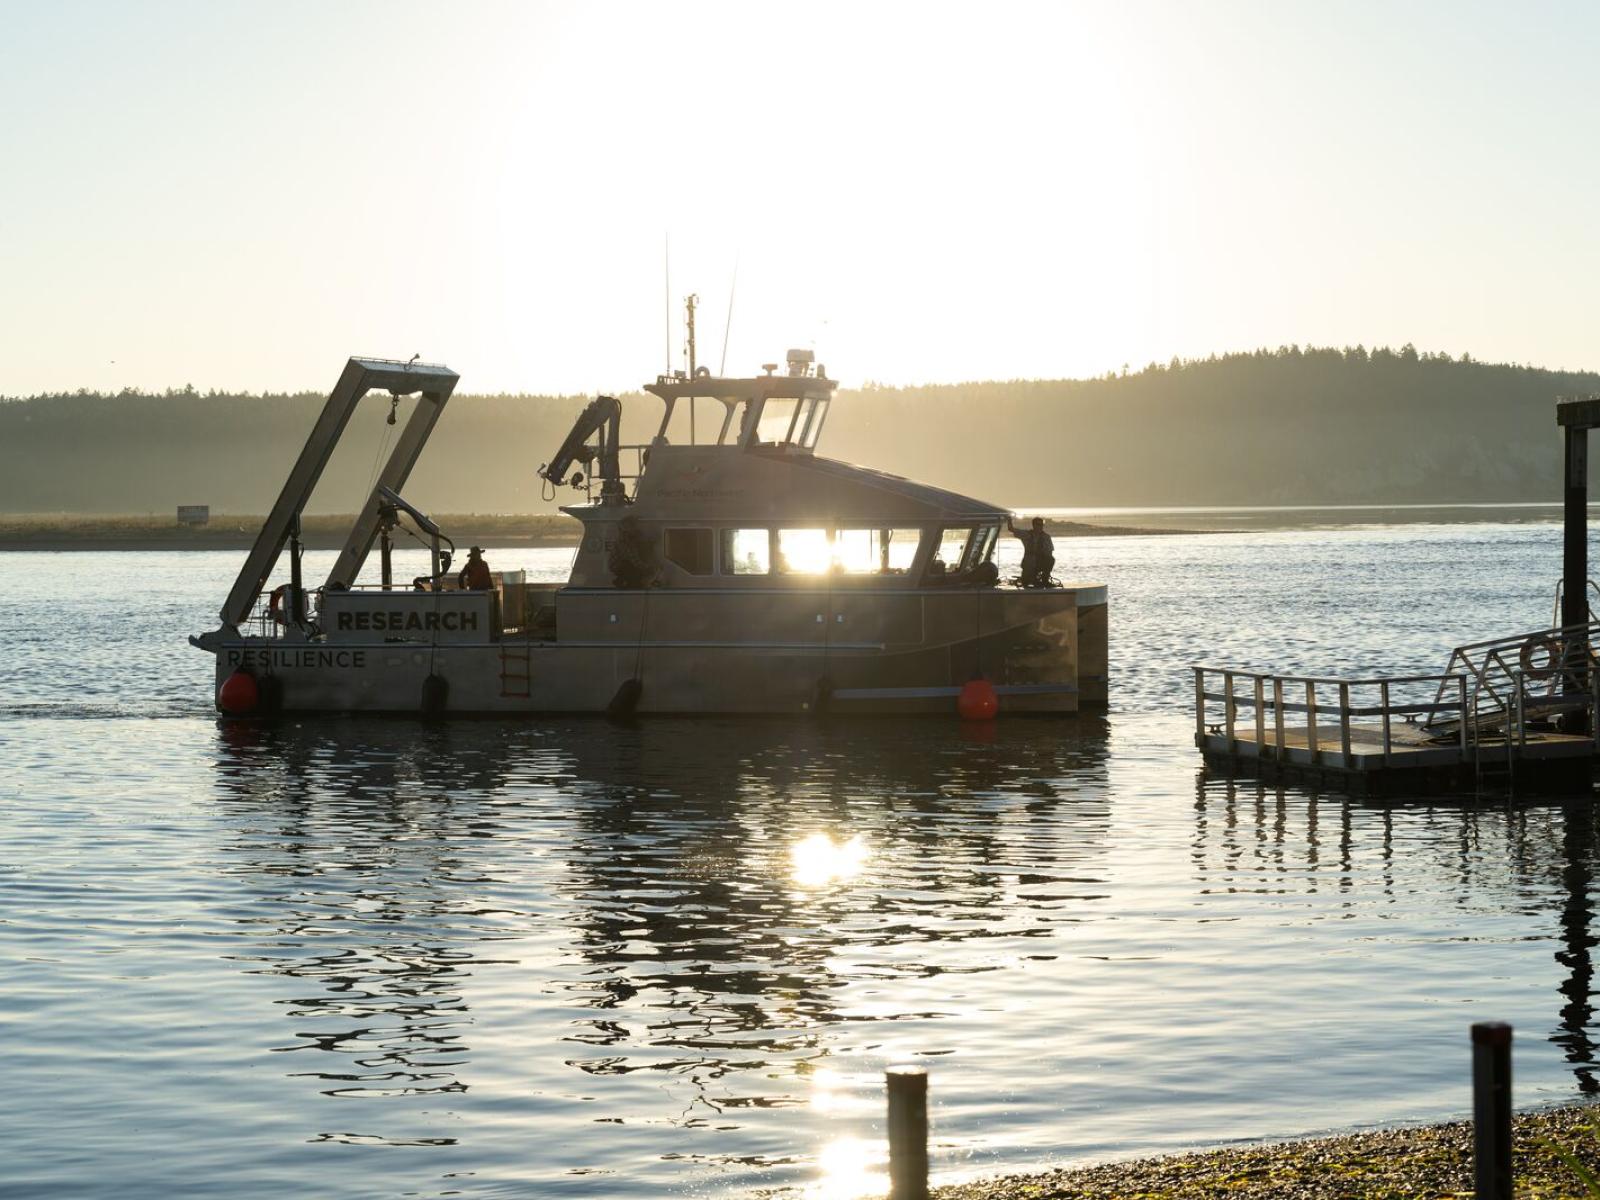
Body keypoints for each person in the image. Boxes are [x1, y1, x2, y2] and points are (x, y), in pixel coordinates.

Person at [1008, 516, 1055, 588]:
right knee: (1026, 583)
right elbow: (1011, 529)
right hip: (1028, 562)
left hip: (1040, 562)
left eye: (1041, 525)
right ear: (1034, 525)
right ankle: (1030, 579)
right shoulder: (1026, 534)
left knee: (1051, 559)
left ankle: (1045, 580)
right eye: (1038, 524)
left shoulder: (1046, 537)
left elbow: (1050, 552)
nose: (1040, 527)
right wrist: (1009, 519)